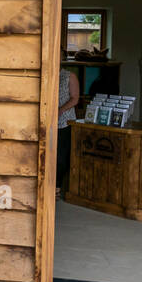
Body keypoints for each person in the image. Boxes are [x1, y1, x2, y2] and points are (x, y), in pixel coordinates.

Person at [56, 67, 79, 196]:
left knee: (61, 157)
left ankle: (57, 187)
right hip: (47, 120)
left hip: (64, 121)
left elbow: (75, 98)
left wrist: (60, 110)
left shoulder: (69, 76)